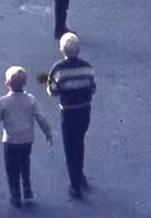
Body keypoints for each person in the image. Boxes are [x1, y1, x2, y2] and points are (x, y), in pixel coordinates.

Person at [0, 66, 53, 208]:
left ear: (7, 84)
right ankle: (27, 191)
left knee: (11, 169)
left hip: (10, 140)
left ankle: (15, 195)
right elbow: (41, 118)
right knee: (25, 164)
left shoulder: (3, 101)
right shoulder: (31, 100)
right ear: (25, 83)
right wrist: (48, 133)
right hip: (27, 139)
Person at [46, 33, 96, 200]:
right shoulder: (87, 67)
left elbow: (53, 91)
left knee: (70, 147)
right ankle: (80, 175)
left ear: (62, 50)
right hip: (84, 110)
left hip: (68, 112)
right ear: (79, 50)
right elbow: (93, 88)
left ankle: (75, 185)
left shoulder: (58, 69)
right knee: (80, 142)